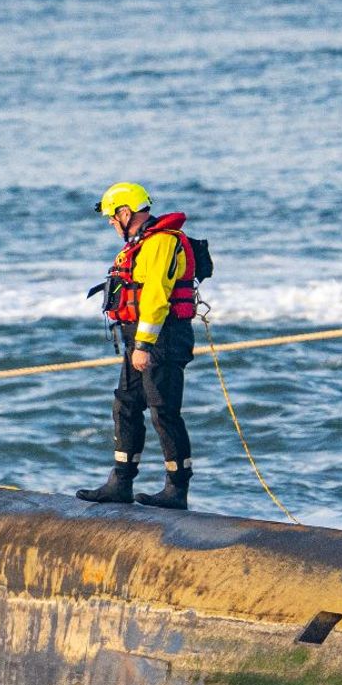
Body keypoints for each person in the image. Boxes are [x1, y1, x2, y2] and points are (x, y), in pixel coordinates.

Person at [77, 182, 197, 510]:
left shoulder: (160, 243)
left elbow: (157, 298)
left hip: (162, 339)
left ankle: (176, 488)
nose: (111, 224)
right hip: (140, 340)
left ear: (126, 212)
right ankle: (121, 481)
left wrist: (144, 344)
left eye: (111, 218)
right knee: (126, 405)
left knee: (163, 412)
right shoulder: (140, 244)